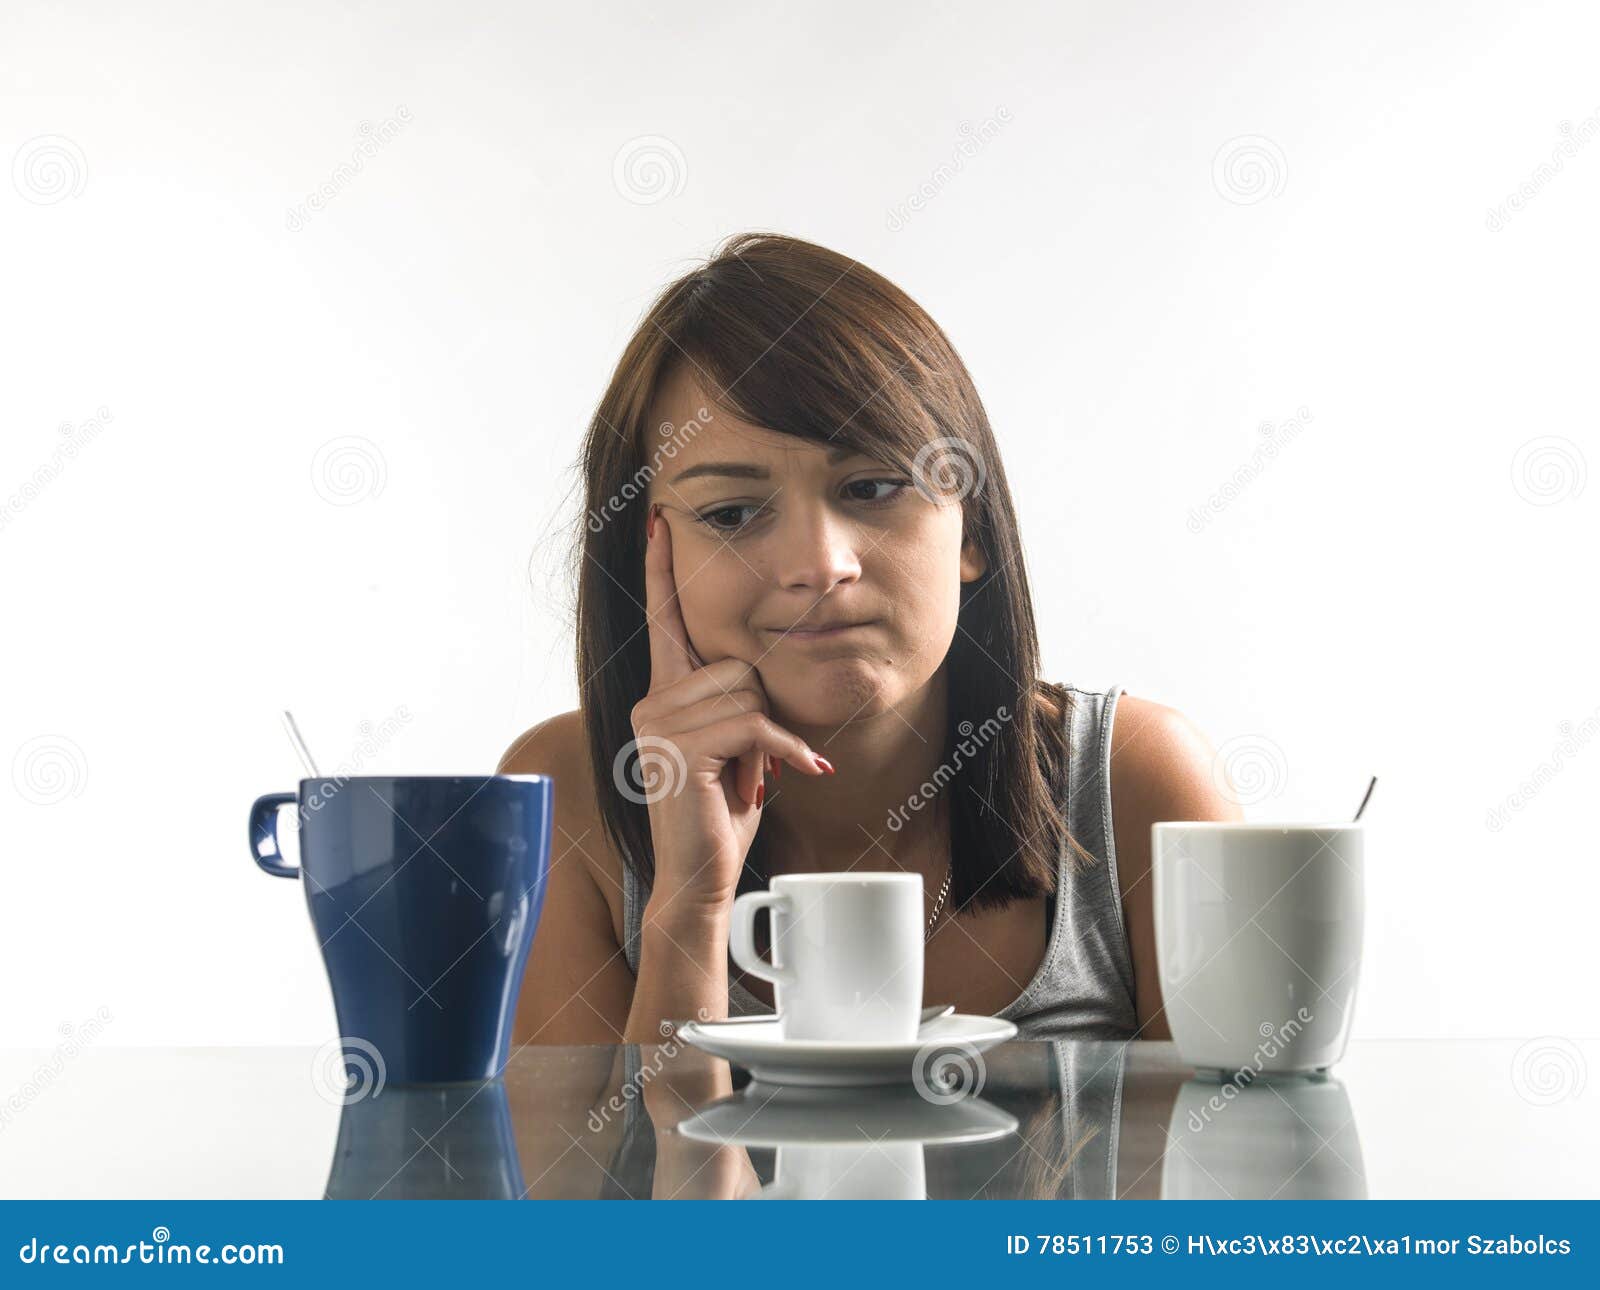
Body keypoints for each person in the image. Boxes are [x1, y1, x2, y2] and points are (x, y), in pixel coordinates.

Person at [498, 231, 1242, 1046]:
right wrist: (691, 905)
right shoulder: (562, 794)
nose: (820, 564)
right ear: (650, 552)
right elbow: (595, 1174)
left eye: (873, 487)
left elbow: (1246, 1159)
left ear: (972, 530)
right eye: (732, 514)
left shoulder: (1137, 784)